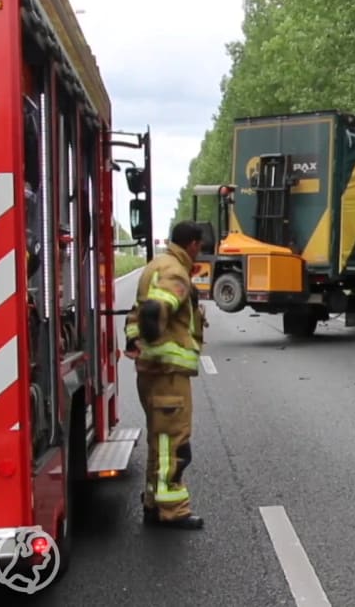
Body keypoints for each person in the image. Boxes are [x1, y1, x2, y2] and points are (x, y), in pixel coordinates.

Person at [123, 222, 207, 529]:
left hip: (152, 372)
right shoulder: (175, 271)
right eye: (200, 245)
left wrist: (138, 343)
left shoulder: (156, 265)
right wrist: (155, 343)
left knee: (160, 442)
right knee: (174, 444)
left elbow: (136, 314)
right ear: (194, 244)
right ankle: (172, 511)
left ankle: (153, 503)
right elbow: (154, 310)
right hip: (167, 374)